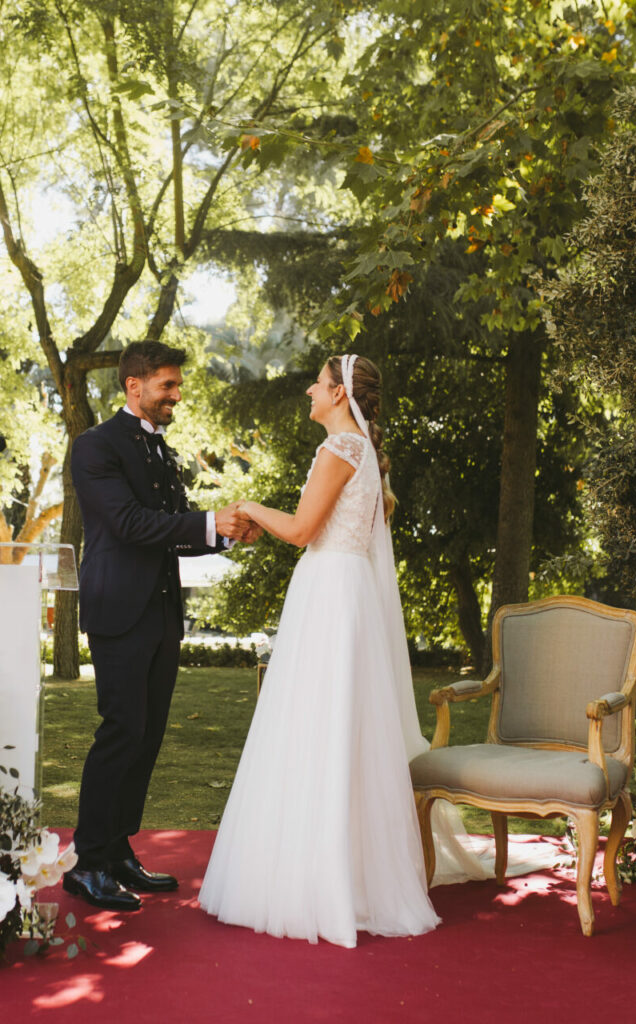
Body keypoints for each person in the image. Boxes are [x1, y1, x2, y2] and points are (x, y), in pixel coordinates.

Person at [199, 353, 462, 947]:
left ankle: (313, 879)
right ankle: (352, 874)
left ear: (339, 394)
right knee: (342, 729)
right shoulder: (362, 453)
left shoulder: (338, 451)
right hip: (347, 593)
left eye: (316, 385)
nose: (308, 394)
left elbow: (298, 530)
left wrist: (245, 509)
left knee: (313, 725)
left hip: (330, 592)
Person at [61, 341, 257, 912]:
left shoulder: (161, 451)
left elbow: (170, 530)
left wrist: (222, 535)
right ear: (134, 386)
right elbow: (127, 524)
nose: (176, 395)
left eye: (176, 385)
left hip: (162, 611)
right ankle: (87, 863)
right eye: (167, 386)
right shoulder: (93, 446)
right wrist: (204, 522)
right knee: (121, 729)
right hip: (118, 610)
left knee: (147, 737)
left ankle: (119, 851)